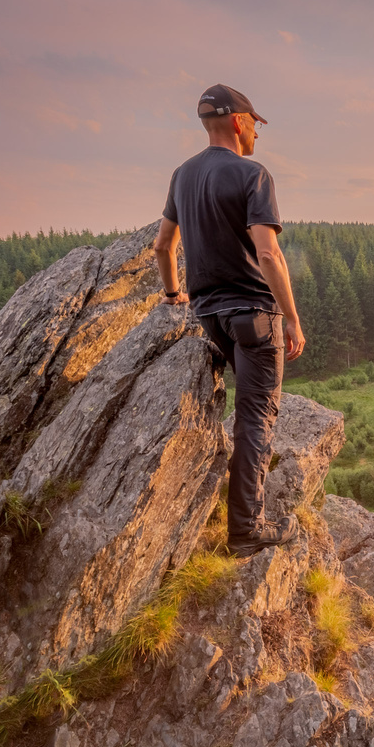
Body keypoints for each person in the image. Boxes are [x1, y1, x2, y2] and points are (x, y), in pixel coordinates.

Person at [154, 83, 307, 558]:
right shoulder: (252, 174)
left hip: (209, 317)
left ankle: (233, 510)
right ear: (240, 122)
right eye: (255, 124)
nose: (257, 133)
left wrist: (174, 295)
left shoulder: (182, 175)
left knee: (244, 415)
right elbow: (268, 252)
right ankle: (247, 528)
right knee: (256, 417)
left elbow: (164, 246)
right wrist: (292, 319)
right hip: (255, 317)